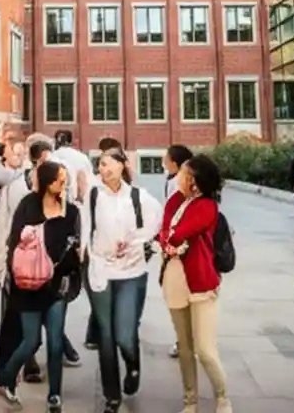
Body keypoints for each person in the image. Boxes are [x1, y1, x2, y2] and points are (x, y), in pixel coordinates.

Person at [0, 160, 82, 413]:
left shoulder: (71, 211)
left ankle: (54, 394)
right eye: (59, 180)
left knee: (55, 341)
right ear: (46, 181)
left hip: (56, 286)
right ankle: (5, 379)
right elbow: (14, 243)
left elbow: (75, 249)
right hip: (29, 285)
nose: (63, 185)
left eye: (65, 180)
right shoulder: (27, 206)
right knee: (30, 341)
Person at [82, 148, 162, 413]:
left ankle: (133, 364)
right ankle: (112, 396)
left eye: (107, 164)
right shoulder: (94, 195)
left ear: (122, 165)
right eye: (100, 165)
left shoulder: (140, 197)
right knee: (106, 335)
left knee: (125, 334)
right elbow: (85, 231)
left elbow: (155, 226)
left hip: (131, 272)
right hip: (100, 271)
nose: (102, 170)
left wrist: (135, 243)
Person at [159, 154, 232, 413]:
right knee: (185, 346)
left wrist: (171, 241)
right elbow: (164, 231)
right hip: (174, 278)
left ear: (195, 181)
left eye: (184, 173)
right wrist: (169, 241)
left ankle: (222, 397)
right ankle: (190, 400)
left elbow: (178, 234)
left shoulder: (207, 206)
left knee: (205, 348)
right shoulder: (174, 200)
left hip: (201, 282)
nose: (178, 176)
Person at [0, 139, 50, 385]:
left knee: (40, 318)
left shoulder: (57, 190)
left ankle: (28, 358)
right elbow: (2, 229)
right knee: (13, 320)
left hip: (44, 266)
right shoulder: (15, 189)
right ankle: (17, 368)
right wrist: (0, 267)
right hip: (16, 264)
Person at [162, 143, 194, 359]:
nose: (163, 161)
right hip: (178, 245)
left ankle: (184, 341)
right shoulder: (173, 181)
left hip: (182, 246)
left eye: (166, 158)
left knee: (182, 297)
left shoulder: (179, 183)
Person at [53, 129, 92, 204]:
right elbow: (88, 179)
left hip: (55, 203)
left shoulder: (51, 156)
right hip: (78, 202)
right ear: (71, 141)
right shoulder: (82, 157)